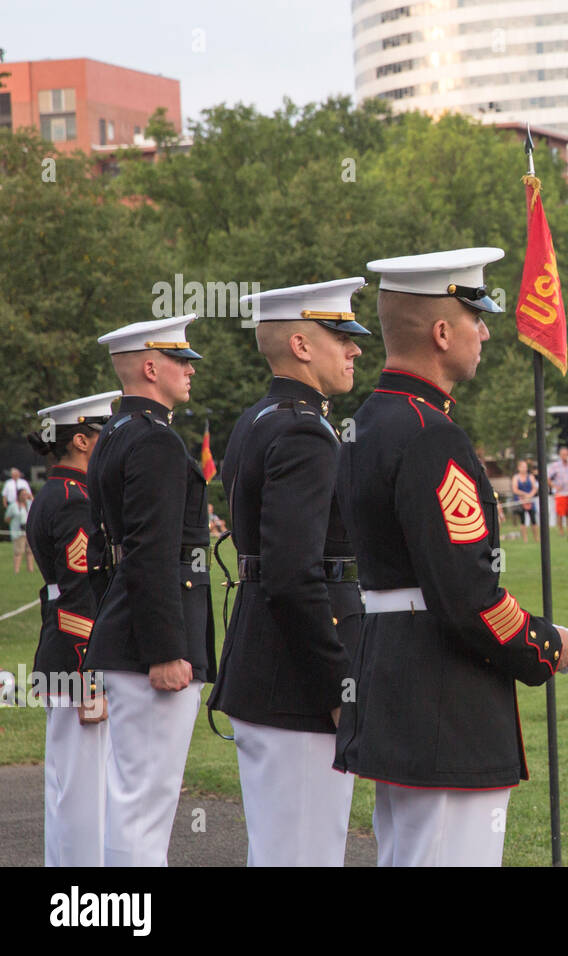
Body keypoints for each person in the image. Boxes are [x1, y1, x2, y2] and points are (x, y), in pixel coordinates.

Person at [334, 247, 568, 866]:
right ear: (443, 332)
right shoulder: (430, 434)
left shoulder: (369, 419)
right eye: (478, 318)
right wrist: (546, 643)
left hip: (393, 671)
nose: (488, 332)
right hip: (442, 690)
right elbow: (468, 595)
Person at [207, 277, 370, 866]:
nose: (355, 349)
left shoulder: (258, 419)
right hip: (298, 681)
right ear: (302, 345)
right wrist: (335, 687)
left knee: (282, 850)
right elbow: (295, 574)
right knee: (303, 853)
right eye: (342, 336)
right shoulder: (304, 428)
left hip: (270, 666)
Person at [84, 314, 216, 867]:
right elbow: (149, 549)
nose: (189, 370)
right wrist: (167, 648)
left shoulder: (114, 433)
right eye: (180, 360)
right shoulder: (155, 440)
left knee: (135, 800)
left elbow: (106, 551)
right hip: (149, 647)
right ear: (149, 366)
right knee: (146, 805)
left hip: (125, 629)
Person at [26, 389, 120, 866]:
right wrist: (91, 675)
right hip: (76, 656)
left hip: (59, 651)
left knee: (68, 788)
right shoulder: (75, 500)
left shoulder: (55, 493)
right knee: (83, 795)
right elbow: (79, 591)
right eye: (104, 432)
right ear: (82, 441)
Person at [547, 445, 568, 540]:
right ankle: (560, 530)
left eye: (566, 454)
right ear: (560, 455)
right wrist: (554, 486)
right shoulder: (555, 466)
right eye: (563, 454)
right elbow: (547, 477)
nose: (565, 456)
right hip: (560, 493)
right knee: (560, 513)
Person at [510, 458, 539, 542]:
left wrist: (530, 495)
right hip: (520, 501)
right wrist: (524, 494)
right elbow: (515, 489)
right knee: (522, 520)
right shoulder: (516, 477)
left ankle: (536, 538)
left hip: (530, 501)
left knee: (533, 520)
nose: (524, 468)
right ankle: (525, 539)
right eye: (522, 467)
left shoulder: (530, 476)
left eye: (525, 467)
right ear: (519, 468)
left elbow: (535, 488)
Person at [8, 488, 36, 573]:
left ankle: (30, 569)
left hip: (28, 531)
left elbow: (37, 507)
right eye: (23, 494)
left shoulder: (29, 504)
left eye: (25, 494)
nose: (24, 496)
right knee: (19, 551)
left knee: (30, 551)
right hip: (18, 532)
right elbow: (7, 518)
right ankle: (16, 570)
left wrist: (31, 497)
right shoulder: (13, 506)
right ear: (19, 495)